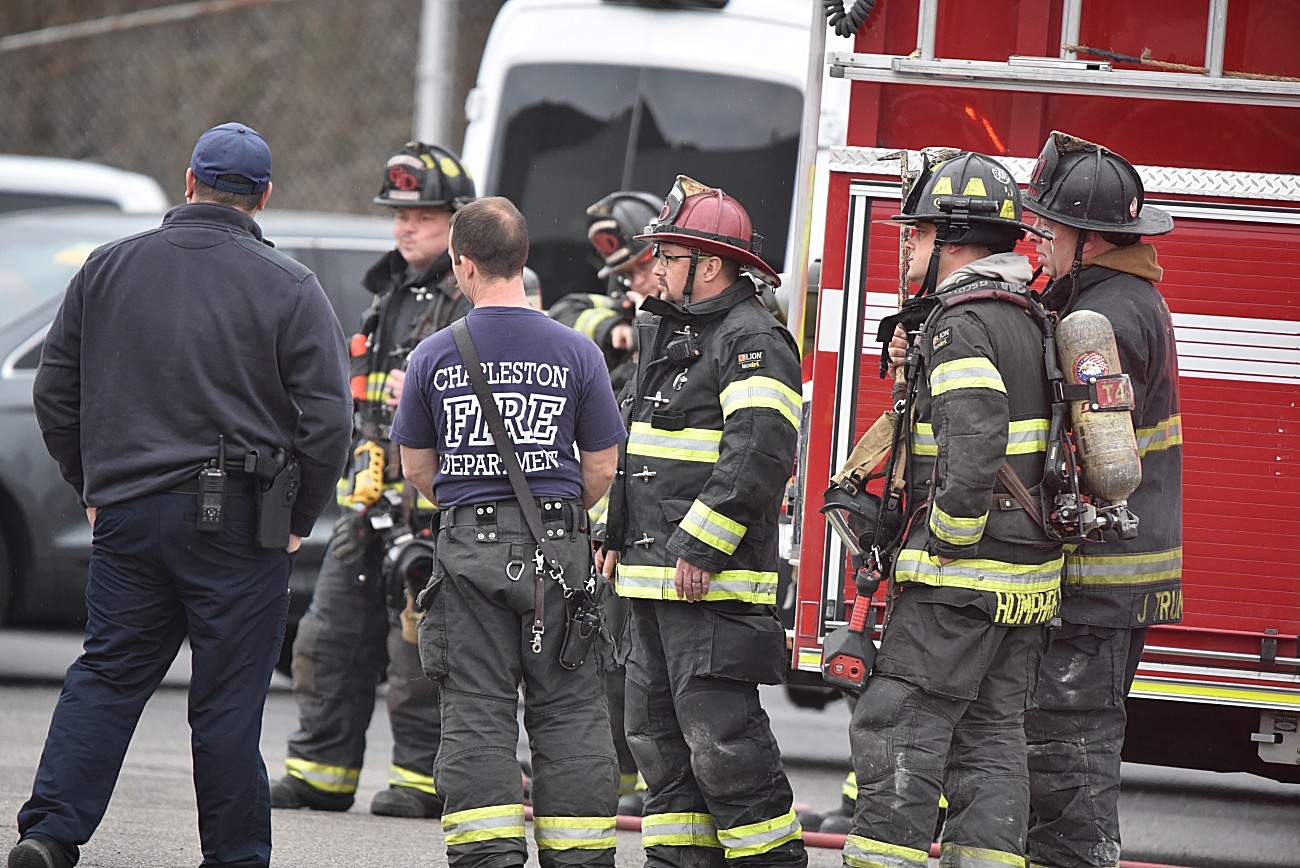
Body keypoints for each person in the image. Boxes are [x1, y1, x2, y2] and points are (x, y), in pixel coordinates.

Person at [9, 122, 352, 868]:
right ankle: (233, 856)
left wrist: (90, 485)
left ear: (187, 181)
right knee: (227, 698)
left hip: (128, 513)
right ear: (263, 197)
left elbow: (53, 390)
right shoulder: (290, 286)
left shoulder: (107, 268)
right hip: (241, 522)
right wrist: (297, 516)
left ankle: (50, 834)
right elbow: (329, 420)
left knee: (107, 672)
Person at [840, 151, 1063, 868]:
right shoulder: (1030, 314)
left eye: (917, 233)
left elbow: (974, 435)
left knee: (896, 724)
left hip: (961, 580)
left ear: (954, 240)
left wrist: (943, 547)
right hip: (1025, 580)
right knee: (991, 740)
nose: (907, 245)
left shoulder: (961, 323)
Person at [392, 196, 625, 868]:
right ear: (521, 262)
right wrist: (549, 518)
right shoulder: (578, 351)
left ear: (463, 266)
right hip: (561, 551)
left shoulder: (435, 355)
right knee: (572, 708)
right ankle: (579, 857)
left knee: (475, 711)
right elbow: (603, 467)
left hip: (467, 552)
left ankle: (489, 855)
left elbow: (416, 467)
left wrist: (470, 506)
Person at [596, 175, 807, 868]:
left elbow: (760, 450)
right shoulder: (667, 329)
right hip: (649, 578)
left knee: (725, 746)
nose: (653, 266)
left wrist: (703, 546)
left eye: (668, 255)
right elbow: (637, 444)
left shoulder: (755, 339)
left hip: (707, 583)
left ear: (709, 265)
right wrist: (613, 534)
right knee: (660, 746)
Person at [269, 141, 476, 819]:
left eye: (421, 215)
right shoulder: (388, 296)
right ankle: (321, 773)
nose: (404, 227)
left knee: (417, 655)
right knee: (327, 638)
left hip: (435, 513)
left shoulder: (472, 300)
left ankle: (422, 783)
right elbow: (367, 404)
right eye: (398, 215)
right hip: (370, 508)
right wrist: (363, 457)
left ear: (458, 220)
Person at [1022, 132, 1183, 868]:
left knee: (1067, 764)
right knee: (1062, 760)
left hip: (1095, 584)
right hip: (1104, 583)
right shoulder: (1119, 296)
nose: (1040, 243)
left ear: (1091, 239)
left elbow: (1079, 453)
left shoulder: (1105, 320)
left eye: (1050, 231)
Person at [549, 189, 662, 815]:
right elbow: (567, 314)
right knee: (605, 664)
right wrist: (613, 323)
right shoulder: (618, 326)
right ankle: (614, 783)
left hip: (665, 536)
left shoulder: (699, 329)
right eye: (628, 277)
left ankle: (655, 788)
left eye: (645, 267)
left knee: (651, 671)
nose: (639, 283)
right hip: (608, 534)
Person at [548, 190, 662, 395]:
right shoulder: (624, 308)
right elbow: (562, 313)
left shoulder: (693, 312)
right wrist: (610, 327)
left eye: (644, 265)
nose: (638, 280)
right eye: (627, 272)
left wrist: (644, 320)